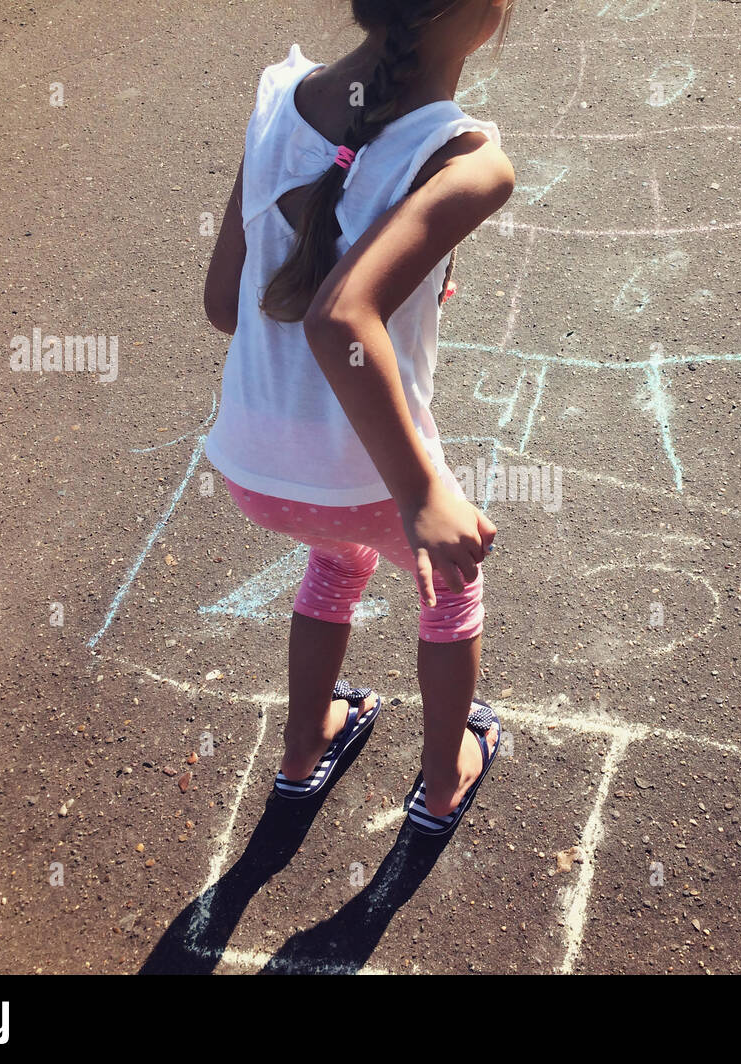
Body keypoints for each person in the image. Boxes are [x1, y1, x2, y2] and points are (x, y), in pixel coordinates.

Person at [202, 0, 516, 835]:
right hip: (366, 473)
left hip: (258, 466)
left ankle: (306, 742)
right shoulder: (468, 158)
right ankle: (444, 779)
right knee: (449, 592)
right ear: (484, 13)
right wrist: (422, 495)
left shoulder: (279, 96)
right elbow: (340, 317)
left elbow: (224, 305)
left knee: (338, 560)